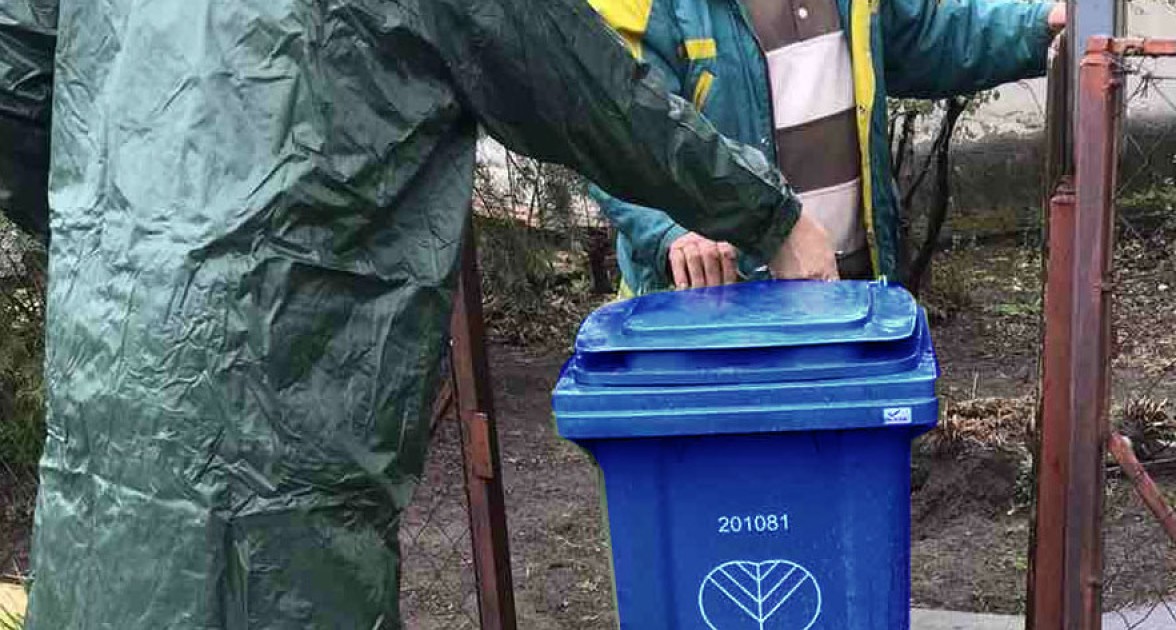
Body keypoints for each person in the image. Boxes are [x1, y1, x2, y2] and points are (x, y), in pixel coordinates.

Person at [0, 0, 835, 627]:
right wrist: (768, 215)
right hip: (277, 396)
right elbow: (582, 86)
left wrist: (134, 239)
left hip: (106, 383)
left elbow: (13, 82)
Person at [589, 0, 1067, 294]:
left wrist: (1041, 24)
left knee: (839, 454)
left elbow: (928, 35)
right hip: (717, 311)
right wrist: (675, 229)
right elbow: (610, 125)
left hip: (848, 291)